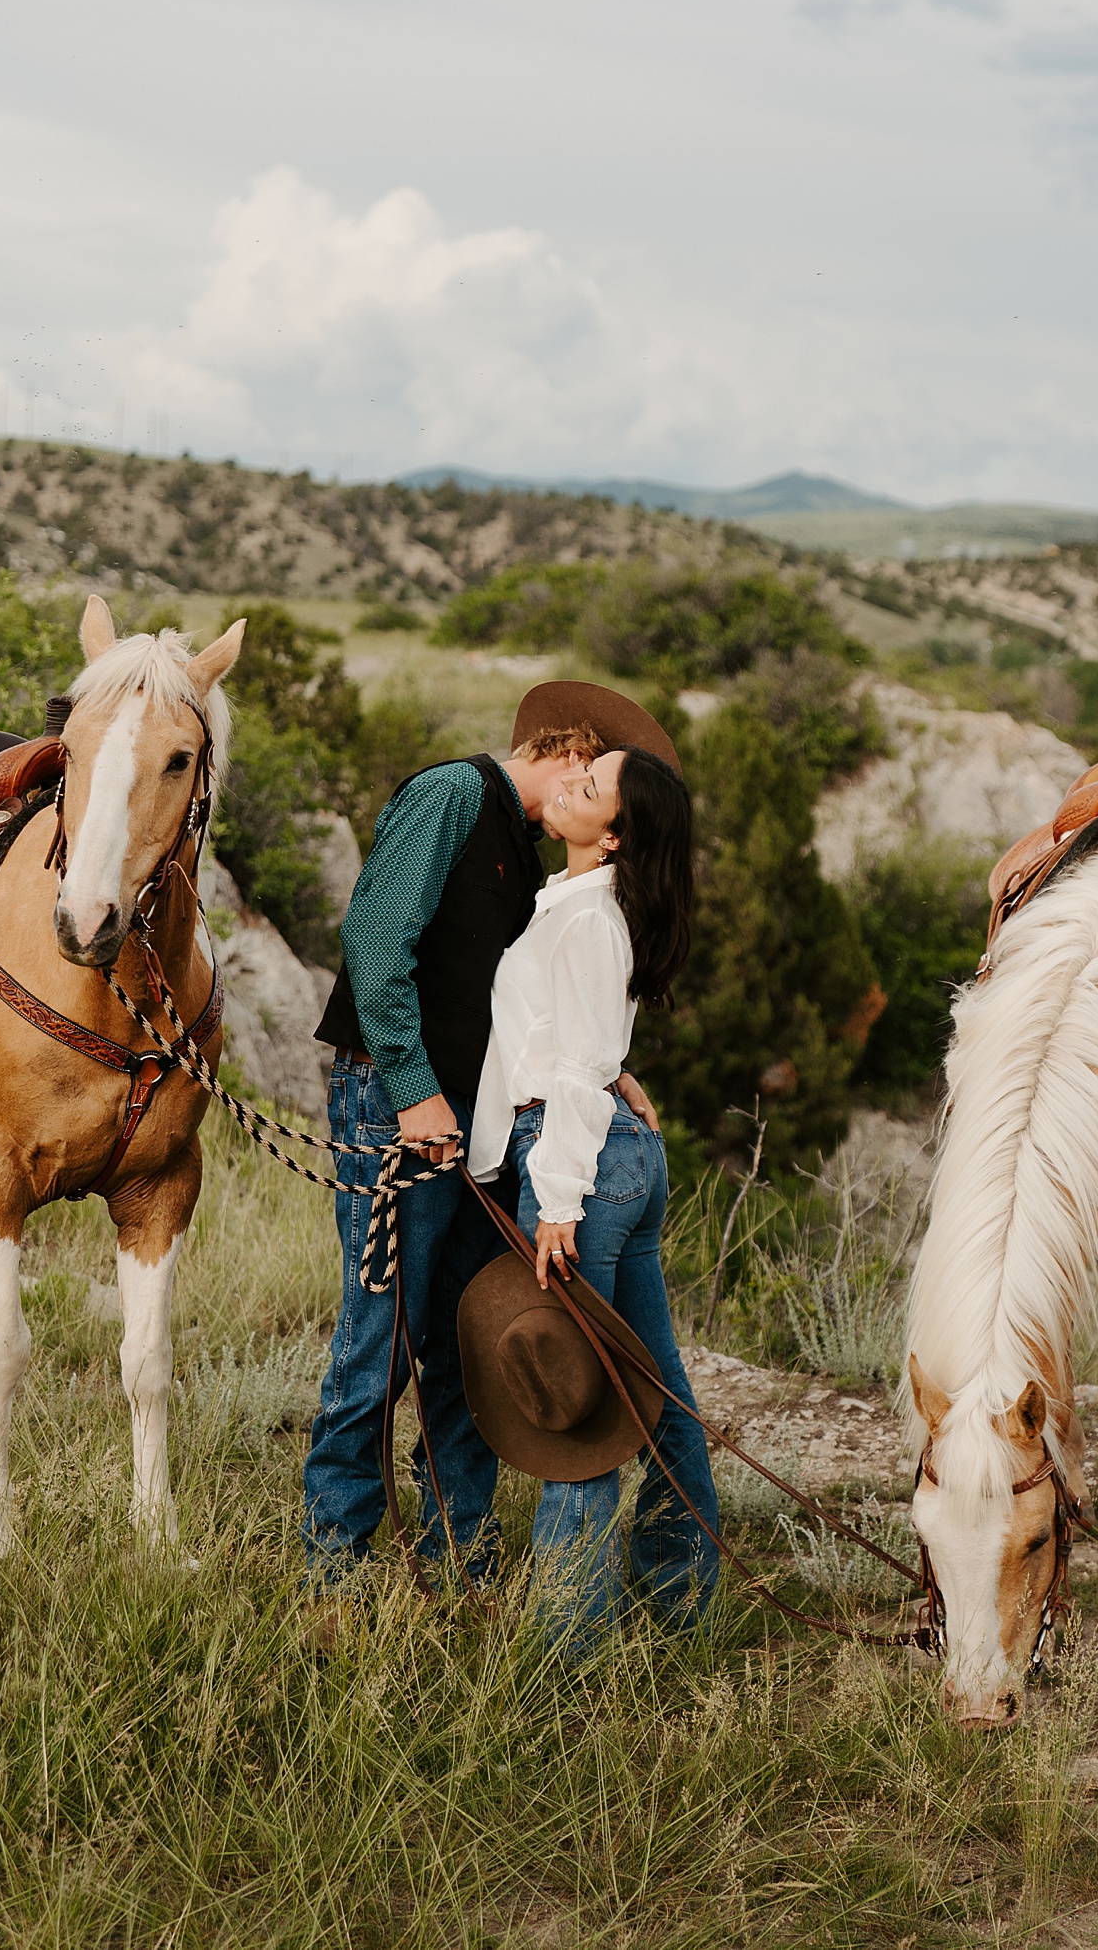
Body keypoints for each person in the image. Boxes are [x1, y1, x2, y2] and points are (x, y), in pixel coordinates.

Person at [303, 684, 660, 1597]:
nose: (589, 790)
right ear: (571, 754)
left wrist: (602, 1067)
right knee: (380, 1337)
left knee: (466, 1337)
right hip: (400, 1106)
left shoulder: (529, 853)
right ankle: (332, 1568)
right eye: (591, 770)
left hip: (479, 1126)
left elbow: (526, 999)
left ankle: (461, 1558)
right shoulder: (453, 797)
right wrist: (417, 1093)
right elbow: (377, 944)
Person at [467, 735, 719, 1641]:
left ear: (614, 835)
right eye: (582, 770)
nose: (573, 781)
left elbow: (575, 1070)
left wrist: (560, 1201)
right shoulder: (580, 904)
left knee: (579, 1404)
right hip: (616, 1158)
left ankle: (567, 1645)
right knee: (660, 1389)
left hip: (579, 1161)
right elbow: (590, 1052)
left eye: (595, 782)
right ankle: (680, 1597)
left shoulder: (584, 918)